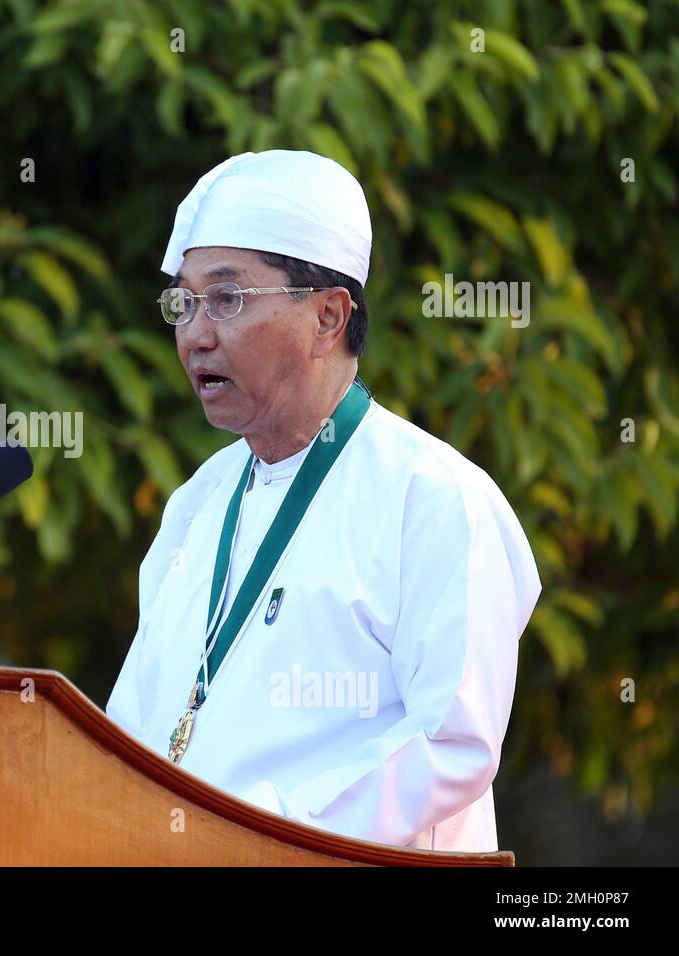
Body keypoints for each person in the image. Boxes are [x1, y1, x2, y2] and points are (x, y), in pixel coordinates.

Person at [106, 150, 541, 852]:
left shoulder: (433, 497)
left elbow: (451, 743)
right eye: (183, 304)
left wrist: (254, 834)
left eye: (227, 298)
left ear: (329, 317)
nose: (195, 334)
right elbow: (131, 733)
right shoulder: (197, 504)